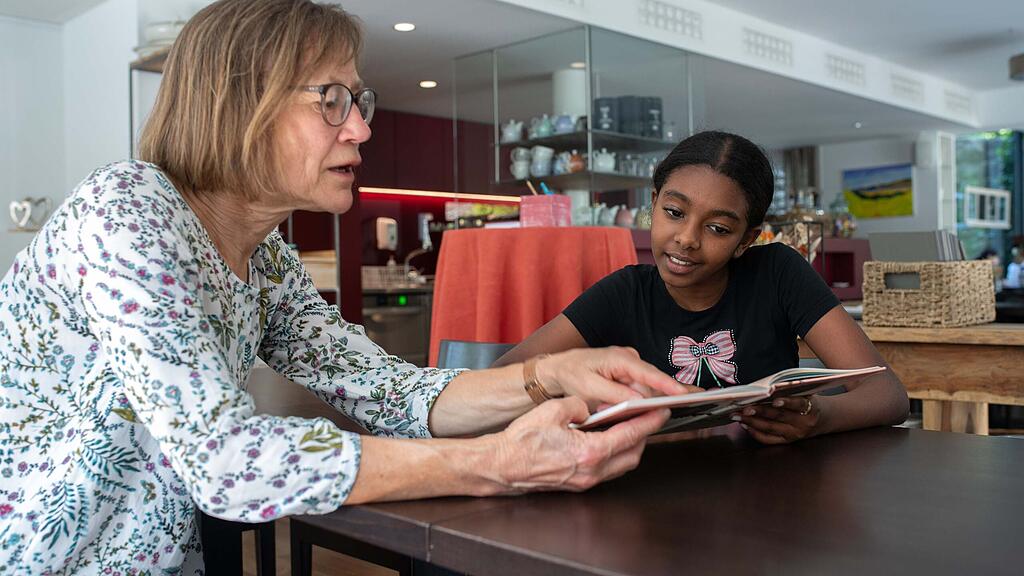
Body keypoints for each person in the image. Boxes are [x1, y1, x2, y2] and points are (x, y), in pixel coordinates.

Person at [0, 1, 694, 572]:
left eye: (358, 101)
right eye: (330, 100)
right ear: (237, 103)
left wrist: (549, 376)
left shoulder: (266, 258)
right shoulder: (128, 209)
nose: (360, 128)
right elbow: (225, 460)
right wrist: (498, 463)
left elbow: (389, 392)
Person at [496, 131, 909, 444]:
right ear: (653, 204)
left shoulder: (778, 274)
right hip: (652, 496)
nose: (687, 239)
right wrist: (589, 396)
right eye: (674, 212)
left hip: (773, 496)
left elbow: (888, 394)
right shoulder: (624, 294)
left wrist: (820, 417)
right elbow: (500, 380)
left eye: (718, 228)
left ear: (746, 239)